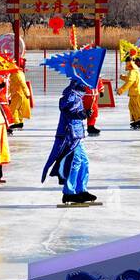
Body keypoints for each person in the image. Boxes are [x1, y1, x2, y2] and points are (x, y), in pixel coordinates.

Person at [41, 76, 97, 205]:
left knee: (84, 162)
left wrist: (84, 113)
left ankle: (81, 189)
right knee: (75, 161)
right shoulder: (71, 93)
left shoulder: (78, 94)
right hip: (70, 135)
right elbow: (65, 107)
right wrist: (81, 114)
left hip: (78, 134)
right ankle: (69, 192)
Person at [117, 53, 140, 130]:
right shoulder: (134, 70)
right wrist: (123, 77)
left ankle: (139, 122)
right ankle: (136, 121)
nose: (126, 64)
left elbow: (130, 81)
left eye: (126, 62)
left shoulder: (133, 70)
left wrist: (121, 90)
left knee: (137, 108)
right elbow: (131, 79)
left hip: (137, 92)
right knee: (132, 107)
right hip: (135, 92)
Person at [7, 62, 33, 131]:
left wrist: (27, 93)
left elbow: (22, 83)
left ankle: (16, 123)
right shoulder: (15, 73)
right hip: (17, 93)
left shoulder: (17, 73)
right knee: (19, 109)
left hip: (18, 94)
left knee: (13, 108)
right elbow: (11, 85)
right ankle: (20, 122)